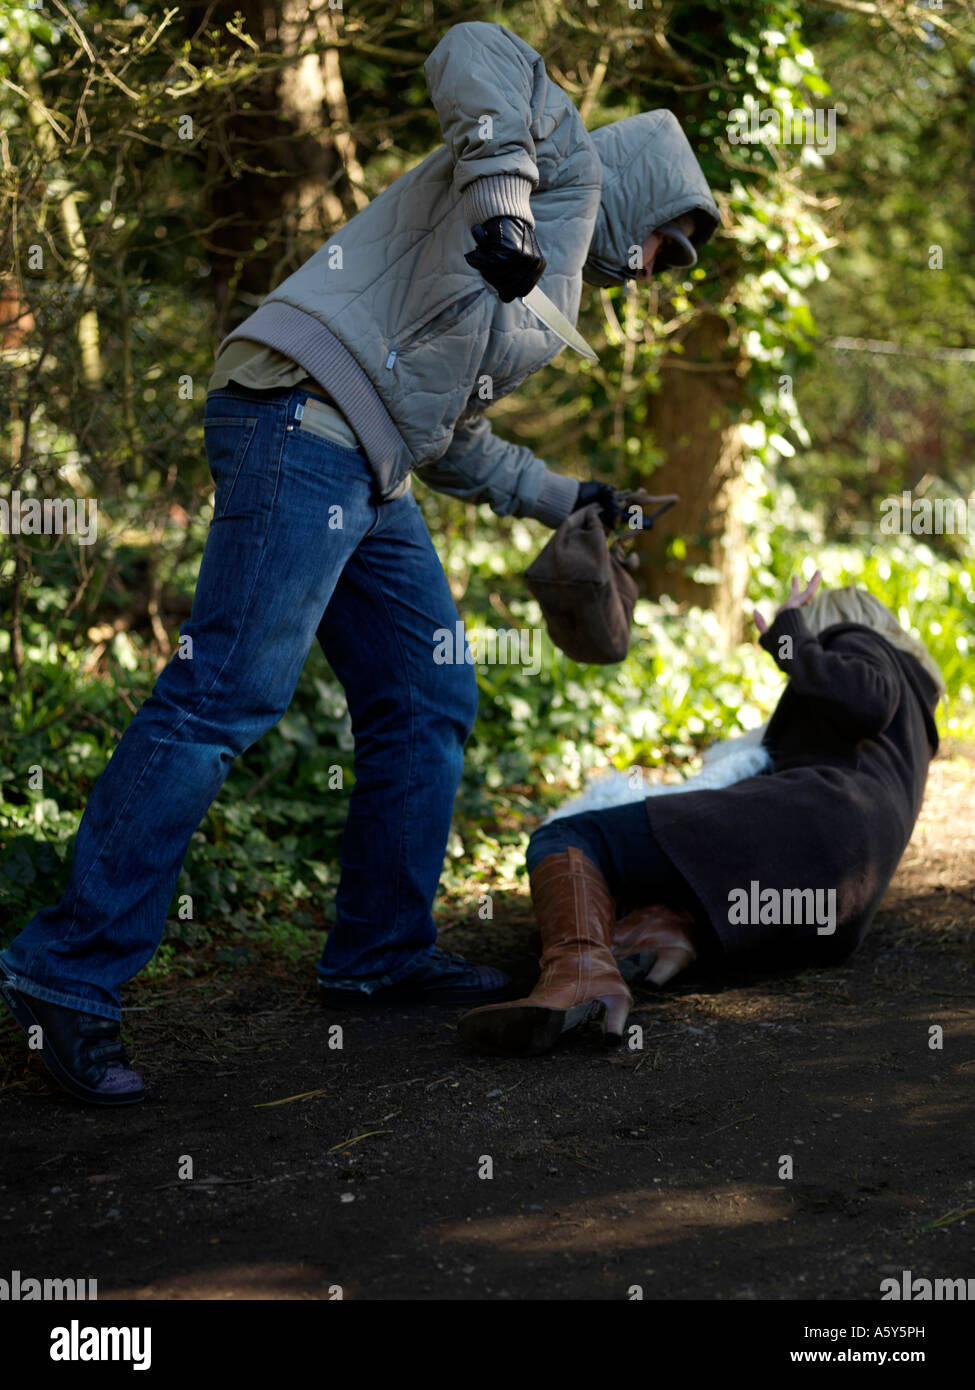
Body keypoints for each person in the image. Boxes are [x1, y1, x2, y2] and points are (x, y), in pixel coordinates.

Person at [0, 21, 720, 1105]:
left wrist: (573, 497)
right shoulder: (555, 164)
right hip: (299, 415)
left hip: (365, 453)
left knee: (428, 691)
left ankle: (378, 951)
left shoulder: (546, 285)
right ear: (644, 204)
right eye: (666, 247)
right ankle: (63, 975)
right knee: (221, 697)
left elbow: (453, 439)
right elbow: (475, 48)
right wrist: (504, 202)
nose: (654, 273)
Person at [457, 575, 945, 1056]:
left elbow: (866, 702)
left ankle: (581, 972)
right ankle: (670, 931)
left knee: (570, 835)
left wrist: (791, 632)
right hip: (839, 911)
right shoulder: (916, 726)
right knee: (664, 872)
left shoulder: (858, 640)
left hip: (813, 818)